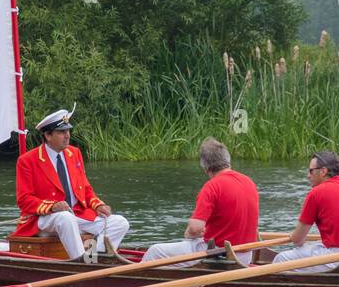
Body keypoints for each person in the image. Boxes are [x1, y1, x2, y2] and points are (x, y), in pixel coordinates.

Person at [13, 107, 130, 260]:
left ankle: (96, 259)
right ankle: (80, 263)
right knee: (64, 218)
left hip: (76, 214)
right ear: (48, 135)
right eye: (62, 132)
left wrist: (98, 205)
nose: (67, 136)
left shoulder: (74, 153)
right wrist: (52, 206)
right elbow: (24, 200)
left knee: (119, 222)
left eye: (68, 131)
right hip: (44, 219)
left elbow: (85, 189)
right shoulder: (28, 160)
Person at [141, 138, 260, 266]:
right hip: (245, 256)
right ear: (228, 161)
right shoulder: (249, 182)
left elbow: (194, 228)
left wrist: (189, 233)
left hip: (220, 255)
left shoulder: (212, 187)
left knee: (155, 251)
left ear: (205, 167)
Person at [271, 151, 339, 273]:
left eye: (311, 171)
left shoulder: (316, 193)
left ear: (323, 171)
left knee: (281, 259)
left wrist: (293, 237)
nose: (308, 176)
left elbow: (298, 240)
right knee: (311, 247)